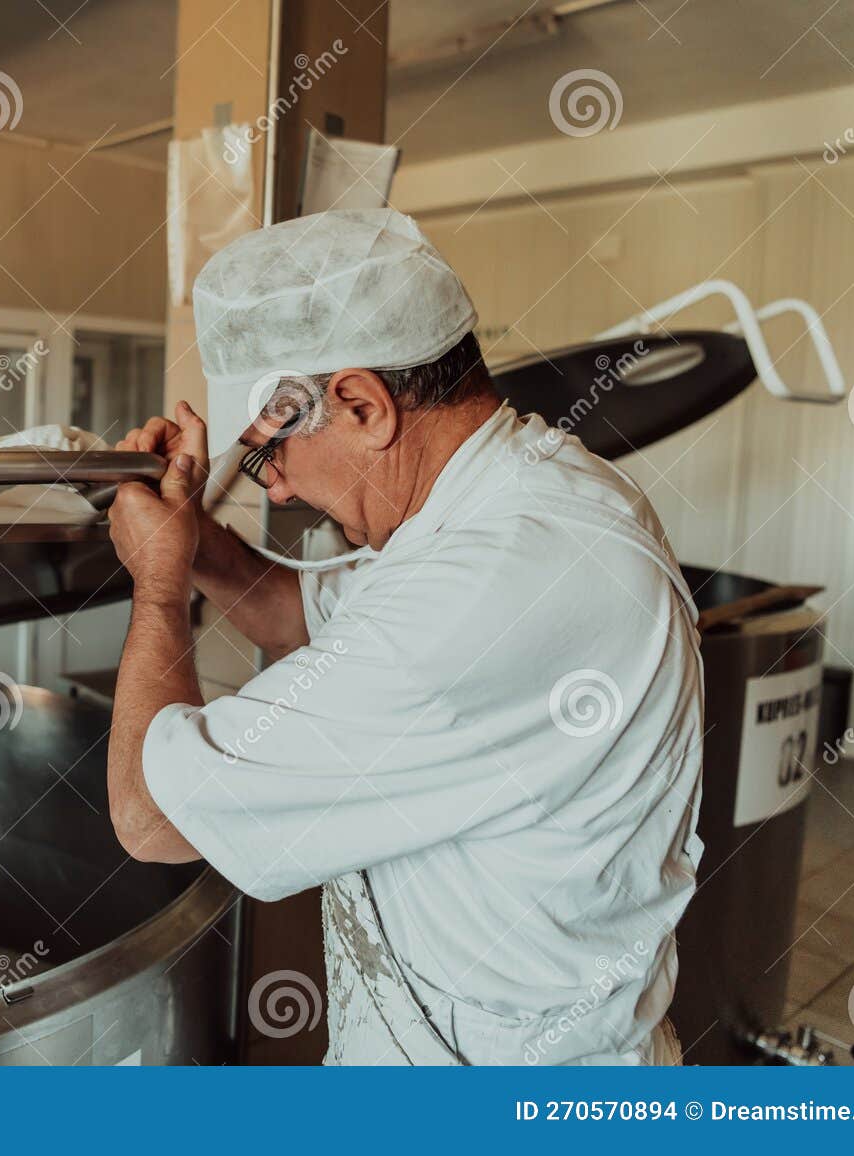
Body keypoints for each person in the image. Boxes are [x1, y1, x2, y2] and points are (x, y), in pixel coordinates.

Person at [104, 208, 703, 1065]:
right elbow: (292, 613)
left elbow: (150, 815)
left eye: (270, 453)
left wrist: (157, 583)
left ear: (359, 404)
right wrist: (189, 533)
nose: (274, 491)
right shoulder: (520, 489)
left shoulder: (494, 584)